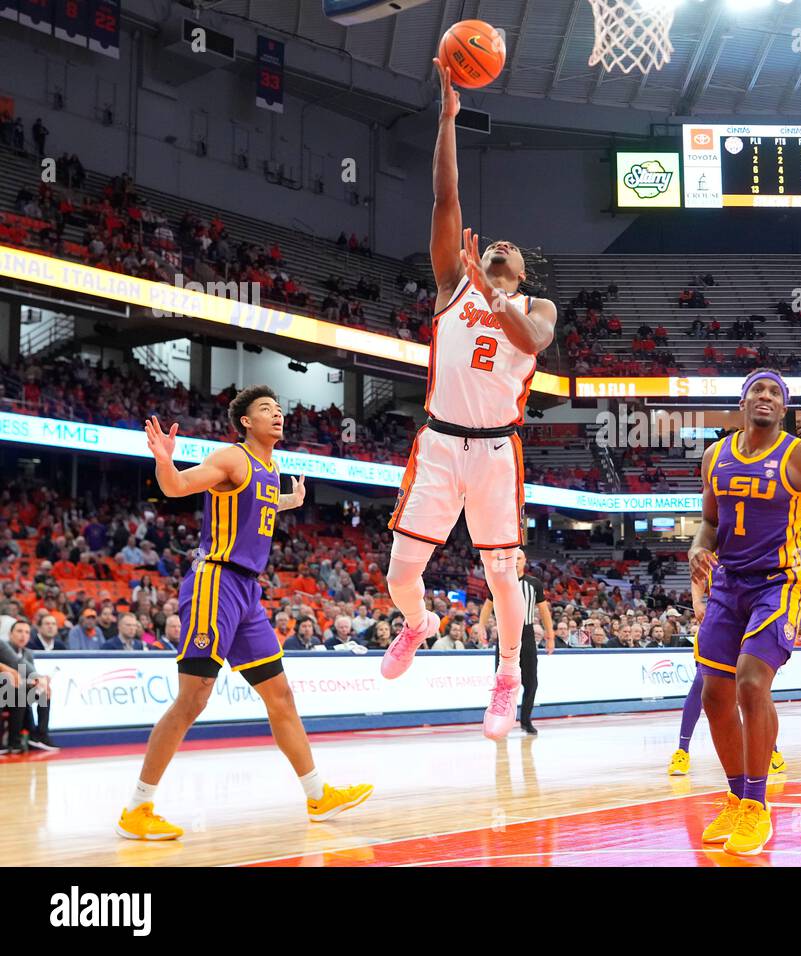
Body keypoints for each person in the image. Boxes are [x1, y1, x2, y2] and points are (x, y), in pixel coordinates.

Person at [380, 59, 559, 743]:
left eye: (510, 252)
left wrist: (494, 297)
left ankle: (507, 678)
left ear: (518, 272)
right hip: (438, 441)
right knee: (401, 569)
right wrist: (447, 122)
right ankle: (418, 623)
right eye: (494, 249)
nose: (501, 246)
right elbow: (444, 200)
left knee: (503, 575)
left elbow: (533, 338)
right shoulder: (454, 283)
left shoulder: (533, 303)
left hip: (494, 451)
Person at [117, 389, 372, 841]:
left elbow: (261, 506)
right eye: (265, 410)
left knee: (282, 697)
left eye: (278, 408)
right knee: (192, 699)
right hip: (215, 583)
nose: (276, 414)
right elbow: (175, 487)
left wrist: (289, 502)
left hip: (248, 593)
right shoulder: (231, 459)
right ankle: (136, 809)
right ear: (246, 424)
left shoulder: (270, 469)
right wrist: (163, 461)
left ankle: (317, 795)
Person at [689, 369, 801, 856]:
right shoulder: (715, 456)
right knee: (715, 694)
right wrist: (697, 546)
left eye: (774, 392)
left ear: (784, 408)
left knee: (752, 682)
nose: (765, 396)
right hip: (728, 583)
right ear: (742, 401)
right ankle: (736, 796)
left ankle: (758, 805)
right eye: (757, 389)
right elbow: (710, 523)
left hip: (780, 583)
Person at [669, 571, 785, 777]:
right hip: (720, 620)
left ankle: (771, 750)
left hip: (754, 619)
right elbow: (698, 572)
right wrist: (697, 602)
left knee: (755, 687)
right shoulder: (716, 546)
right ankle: (682, 750)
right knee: (702, 684)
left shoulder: (760, 552)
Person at [482, 551, 554, 735]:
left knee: (531, 683)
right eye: (512, 558)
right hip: (505, 635)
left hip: (527, 634)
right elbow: (488, 605)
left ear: (525, 561)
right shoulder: (499, 582)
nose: (515, 561)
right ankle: (501, 720)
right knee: (503, 683)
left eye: (519, 558)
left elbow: (544, 611)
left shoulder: (534, 584)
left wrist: (550, 635)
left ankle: (525, 720)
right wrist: (481, 626)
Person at [0, 620, 57, 753]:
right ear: (10, 634)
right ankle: (15, 741)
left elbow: (27, 676)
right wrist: (38, 678)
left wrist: (39, 683)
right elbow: (16, 663)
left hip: (17, 694)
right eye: (19, 631)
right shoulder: (3, 647)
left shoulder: (28, 653)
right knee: (21, 690)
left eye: (26, 632)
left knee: (43, 691)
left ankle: (40, 735)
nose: (23, 635)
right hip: (5, 693)